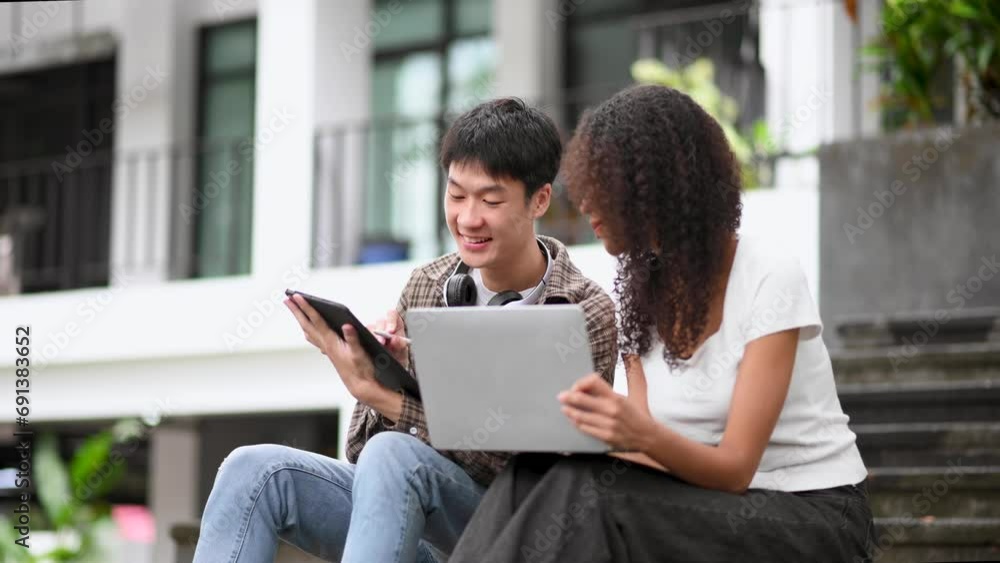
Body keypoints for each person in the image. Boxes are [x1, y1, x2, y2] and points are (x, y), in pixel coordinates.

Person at [449, 85, 874, 563]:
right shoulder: (639, 293)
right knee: (532, 473)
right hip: (701, 503)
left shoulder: (769, 274)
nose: (585, 204)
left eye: (603, 187)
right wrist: (583, 442)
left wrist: (636, 433)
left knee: (590, 496)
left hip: (809, 514)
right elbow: (646, 452)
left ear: (654, 192)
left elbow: (735, 469)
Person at [191, 98, 618, 563]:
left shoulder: (584, 311)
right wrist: (380, 369)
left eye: (491, 201)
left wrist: (393, 404)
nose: (468, 218)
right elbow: (361, 453)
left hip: (519, 538)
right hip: (413, 535)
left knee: (396, 453)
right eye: (456, 195)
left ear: (540, 199)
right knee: (253, 471)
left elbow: (544, 477)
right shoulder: (428, 285)